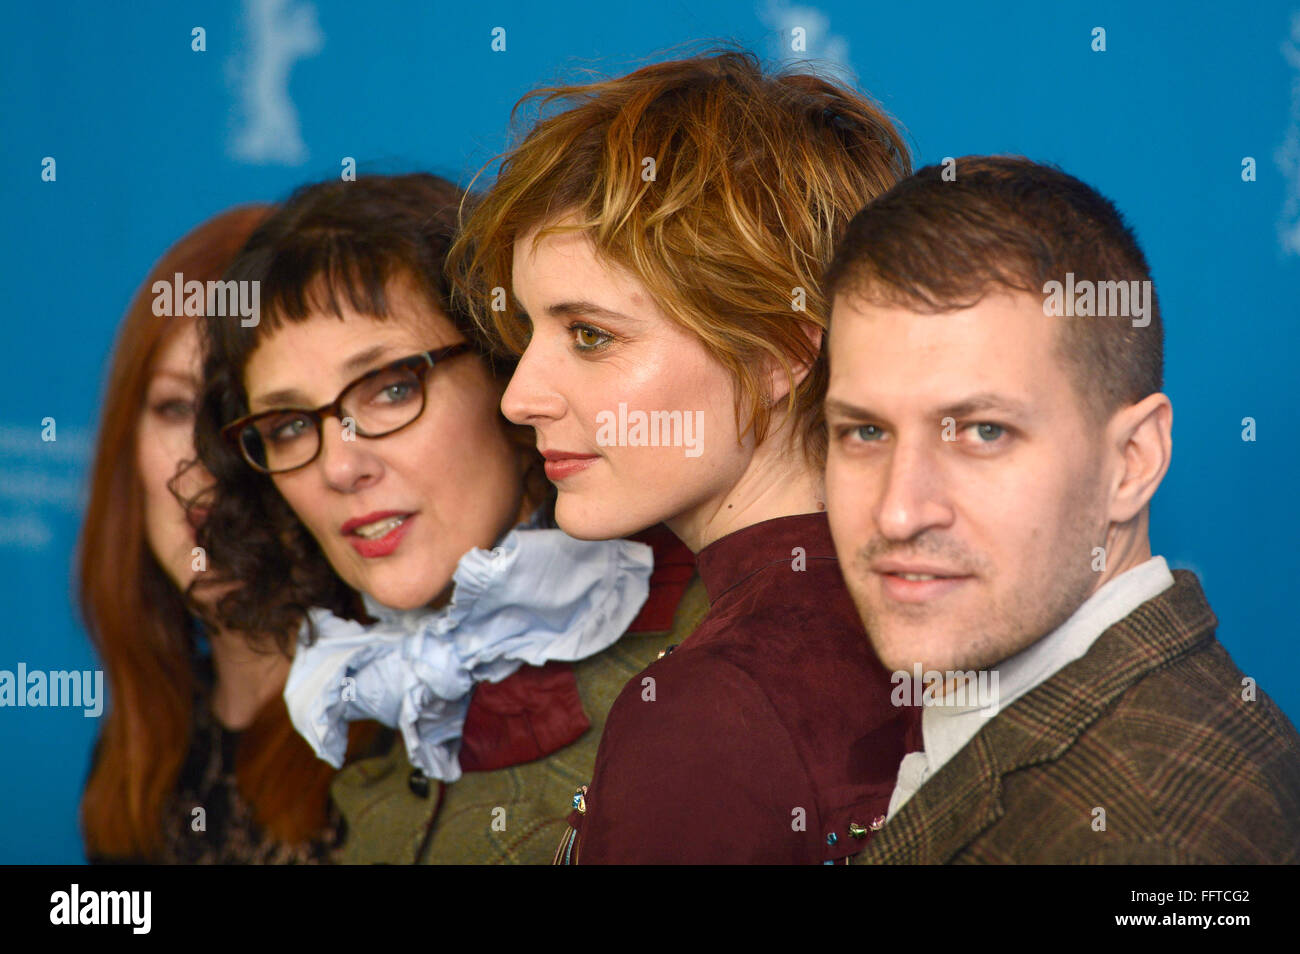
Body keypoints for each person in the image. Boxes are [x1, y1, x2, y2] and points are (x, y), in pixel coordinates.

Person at [449, 48, 919, 863]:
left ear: (780, 353)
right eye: (529, 334)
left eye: (590, 336)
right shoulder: (935, 618)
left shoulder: (712, 706)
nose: (520, 397)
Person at [192, 172, 703, 863]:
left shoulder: (710, 668)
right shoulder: (338, 713)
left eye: (390, 389)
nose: (341, 467)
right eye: (287, 425)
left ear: (508, 370)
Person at [822, 155, 1300, 864]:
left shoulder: (1144, 847)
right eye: (865, 432)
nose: (899, 512)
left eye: (984, 432)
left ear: (1132, 460)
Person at [78, 204, 381, 863]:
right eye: (176, 406)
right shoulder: (146, 740)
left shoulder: (405, 747)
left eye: (264, 417)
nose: (205, 465)